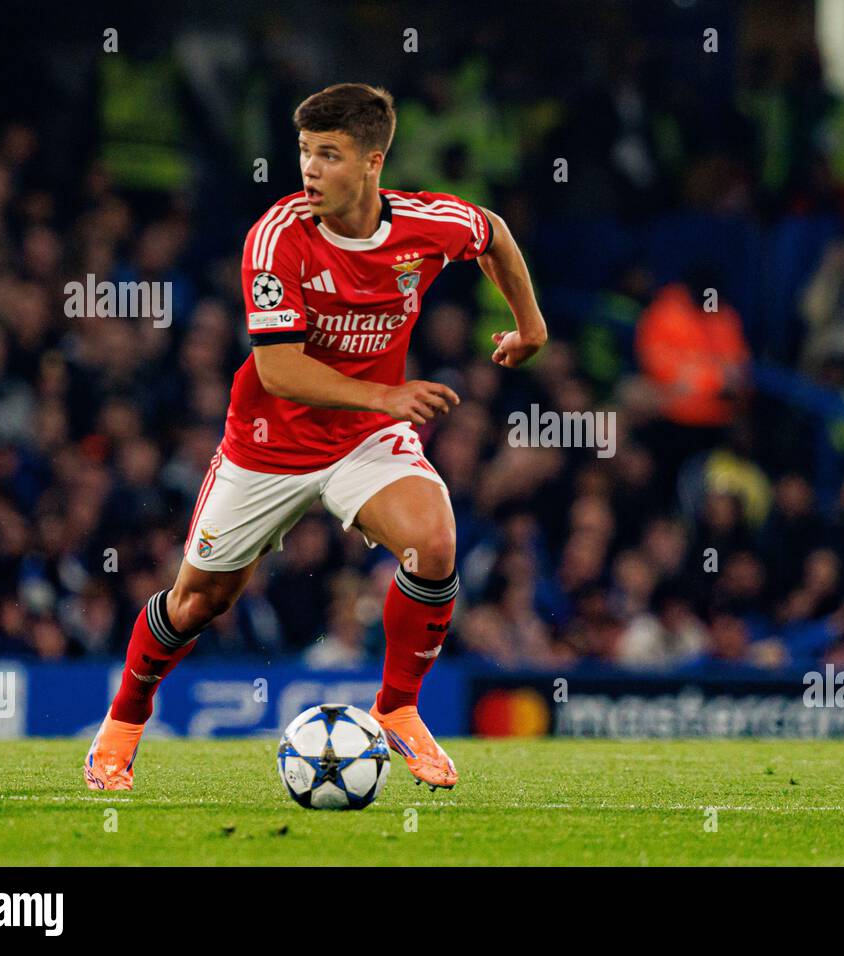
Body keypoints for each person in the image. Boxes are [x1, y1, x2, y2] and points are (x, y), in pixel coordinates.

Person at [84, 83, 547, 792]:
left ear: (372, 160)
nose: (309, 169)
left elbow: (494, 235)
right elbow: (279, 368)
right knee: (197, 602)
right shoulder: (278, 237)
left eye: (328, 155)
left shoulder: (426, 222)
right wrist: (387, 394)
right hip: (268, 442)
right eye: (304, 152)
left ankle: (396, 707)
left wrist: (530, 325)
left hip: (365, 437)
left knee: (436, 543)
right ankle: (121, 725)